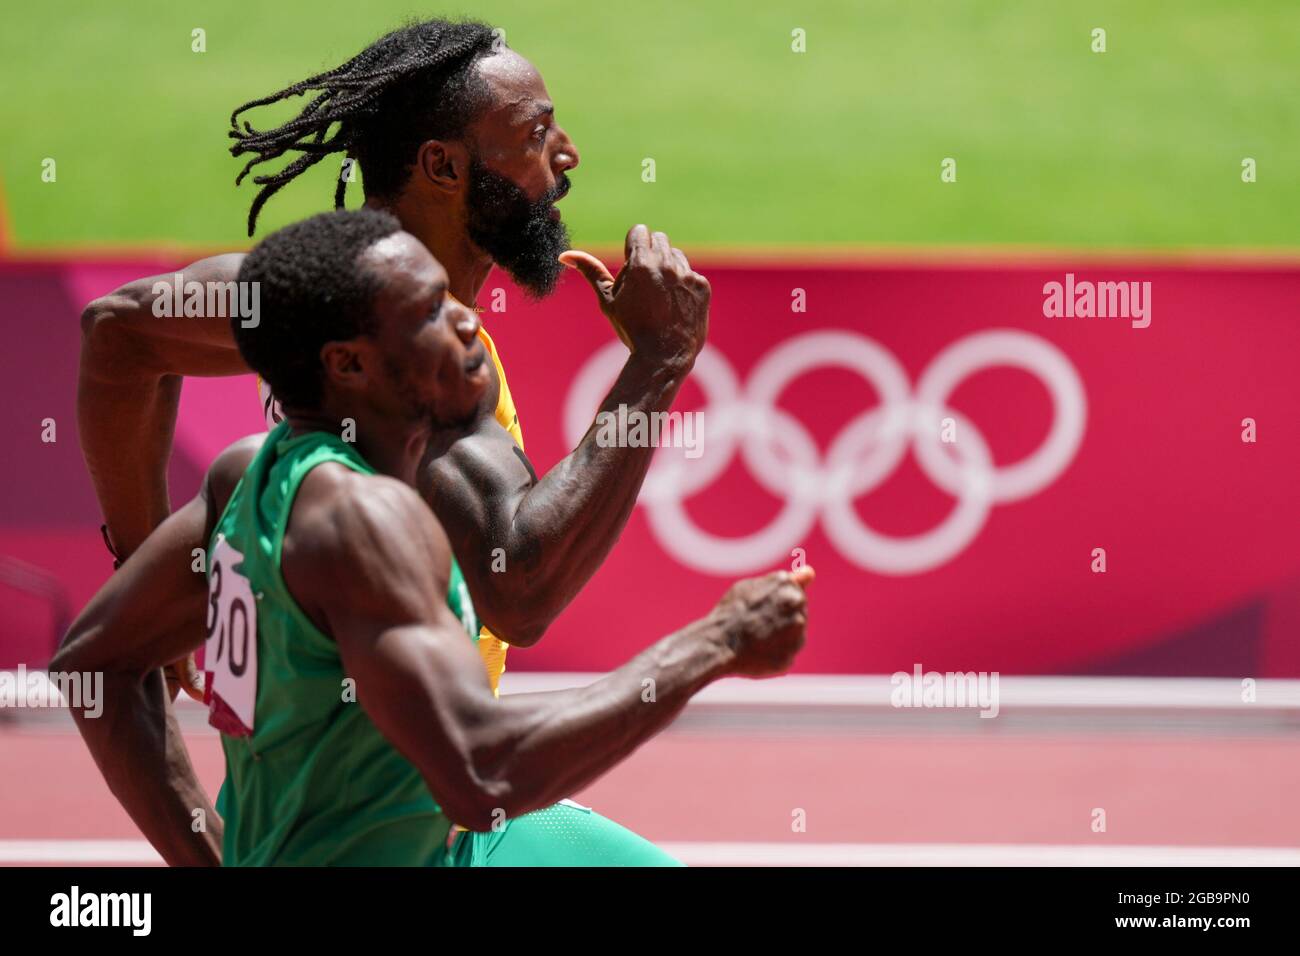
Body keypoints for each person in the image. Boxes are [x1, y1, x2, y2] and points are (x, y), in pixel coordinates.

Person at [77, 18, 713, 863]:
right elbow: (520, 588)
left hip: (361, 799)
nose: (566, 155)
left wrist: (150, 568)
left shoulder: (308, 302)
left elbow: (121, 333)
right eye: (534, 135)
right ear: (443, 166)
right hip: (387, 831)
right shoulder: (421, 391)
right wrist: (659, 364)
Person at [52, 209, 812, 866]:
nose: (468, 320)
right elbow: (483, 770)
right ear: (348, 364)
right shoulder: (360, 523)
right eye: (426, 312)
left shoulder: (246, 474)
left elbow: (96, 662)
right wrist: (719, 642)